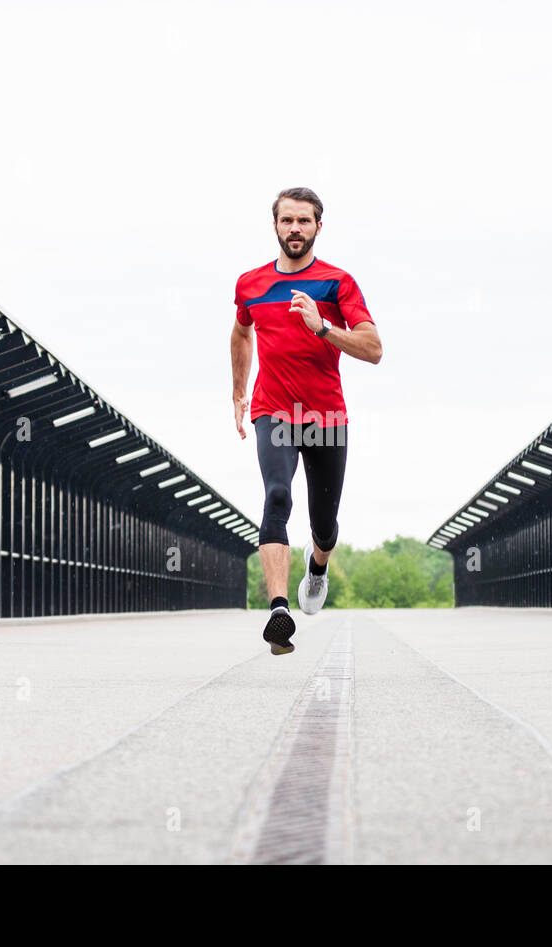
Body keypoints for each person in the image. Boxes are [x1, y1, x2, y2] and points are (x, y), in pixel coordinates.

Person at [230, 187, 382, 654]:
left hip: (325, 416)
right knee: (277, 495)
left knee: (324, 524)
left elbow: (373, 349)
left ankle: (318, 568)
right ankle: (278, 608)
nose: (295, 228)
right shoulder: (250, 284)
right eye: (287, 220)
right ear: (274, 225)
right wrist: (239, 390)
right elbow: (241, 331)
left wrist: (322, 326)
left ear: (318, 226)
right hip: (272, 409)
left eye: (304, 221)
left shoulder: (338, 282)